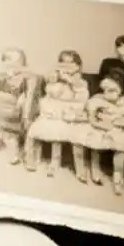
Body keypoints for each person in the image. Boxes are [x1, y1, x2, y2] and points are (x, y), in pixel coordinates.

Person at [25, 50, 90, 181]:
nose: (66, 67)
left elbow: (82, 98)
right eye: (63, 63)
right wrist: (55, 81)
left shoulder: (80, 82)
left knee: (72, 137)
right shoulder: (55, 80)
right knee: (46, 133)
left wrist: (71, 82)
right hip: (54, 112)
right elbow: (50, 93)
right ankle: (42, 159)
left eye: (70, 63)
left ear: (78, 66)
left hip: (71, 113)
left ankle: (76, 167)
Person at [84, 74, 124, 196]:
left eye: (112, 90)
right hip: (104, 127)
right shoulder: (97, 100)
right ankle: (113, 178)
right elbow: (92, 120)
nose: (107, 93)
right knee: (114, 150)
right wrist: (105, 125)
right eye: (105, 90)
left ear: (121, 89)